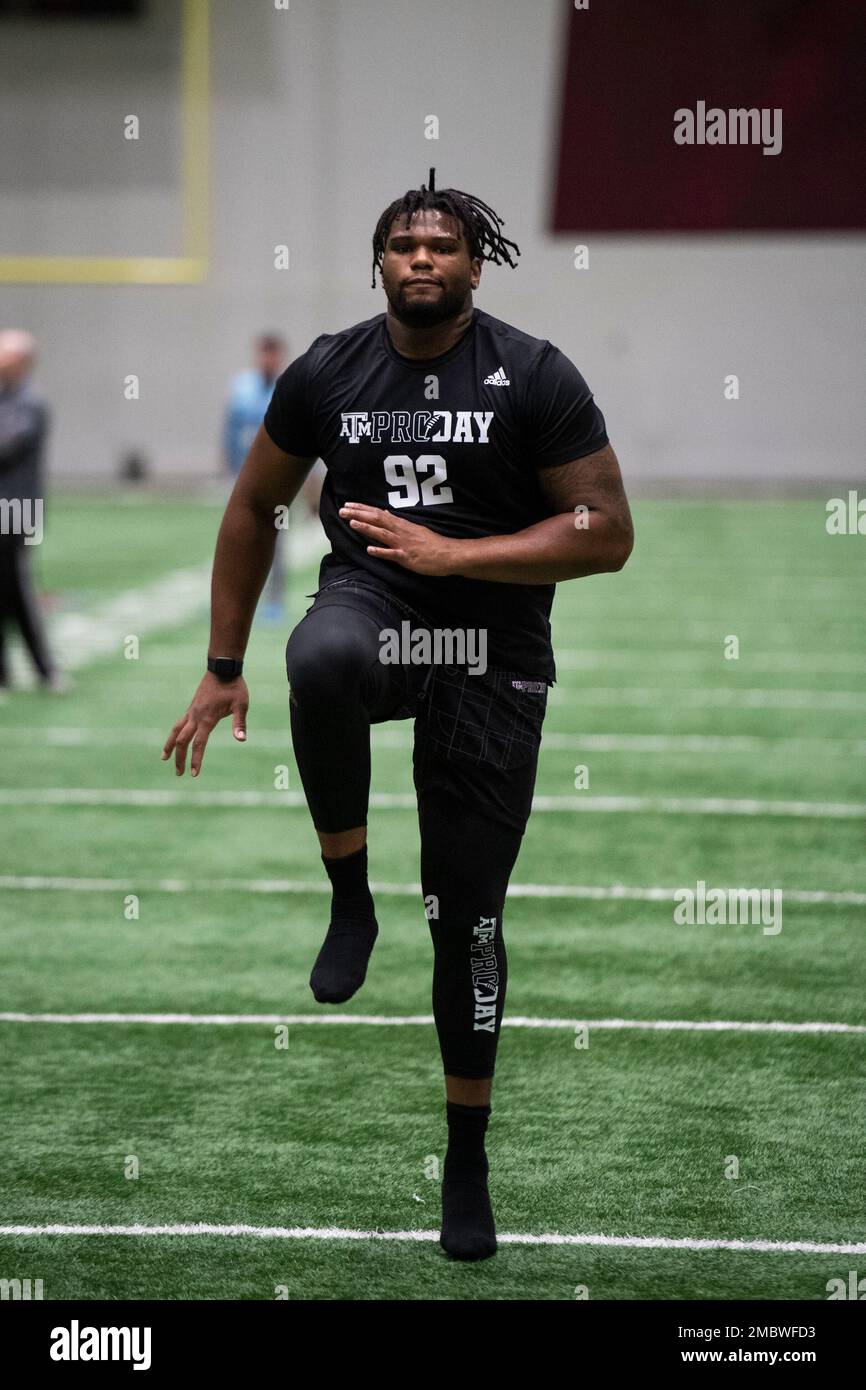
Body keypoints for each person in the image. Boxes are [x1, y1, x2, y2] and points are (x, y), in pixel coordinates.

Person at [162, 170, 634, 1262]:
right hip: (374, 608)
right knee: (316, 654)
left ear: (477, 262)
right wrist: (220, 662)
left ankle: (465, 1155)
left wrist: (457, 554)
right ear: (378, 261)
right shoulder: (329, 368)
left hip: (492, 644)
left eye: (443, 245)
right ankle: (347, 896)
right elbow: (252, 506)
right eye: (403, 244)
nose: (422, 259)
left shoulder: (533, 371)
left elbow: (604, 529)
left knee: (466, 917)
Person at [223, 333, 323, 623]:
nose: (268, 360)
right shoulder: (242, 388)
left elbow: (307, 438)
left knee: (274, 542)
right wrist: (230, 469)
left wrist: (311, 489)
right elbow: (231, 432)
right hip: (245, 476)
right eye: (264, 354)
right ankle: (231, 603)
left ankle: (274, 600)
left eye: (273, 354)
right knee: (235, 538)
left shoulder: (289, 387)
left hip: (280, 479)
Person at [0, 328, 64, 693]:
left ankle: (45, 668)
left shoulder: (31, 403)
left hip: (18, 509)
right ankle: (3, 670)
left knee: (20, 591)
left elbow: (8, 448)